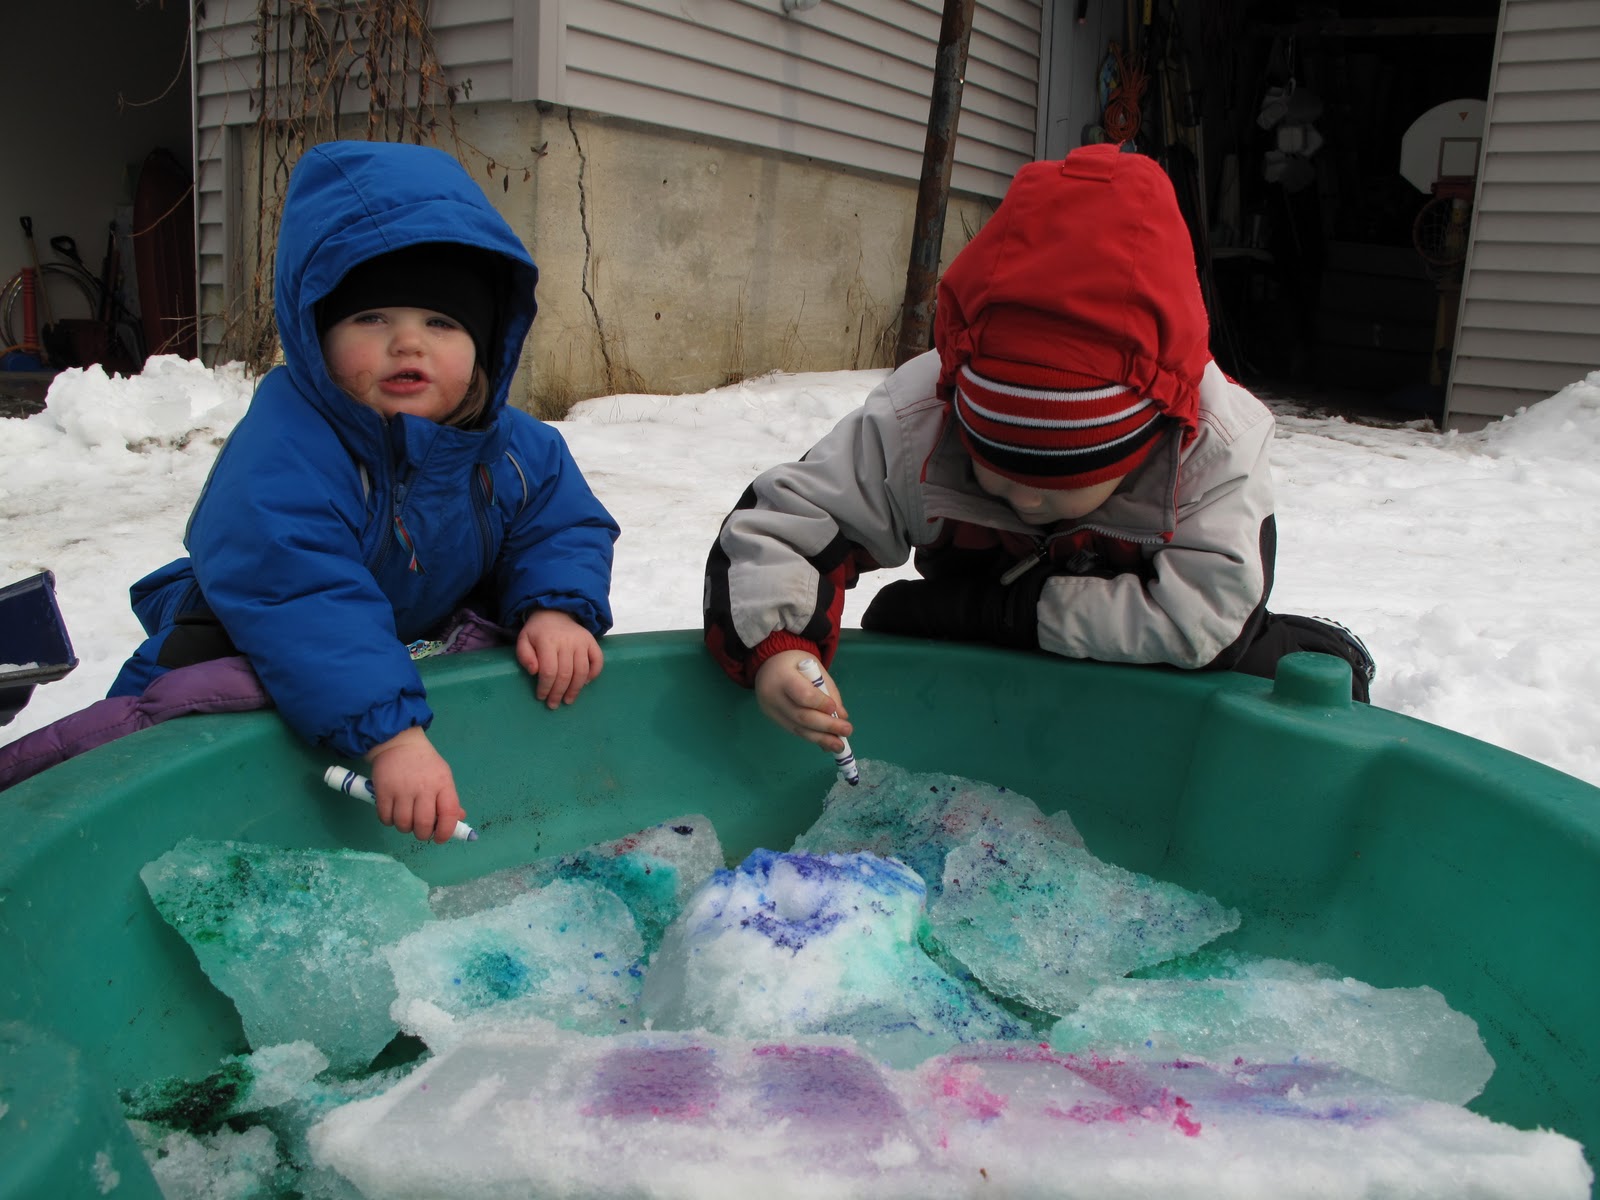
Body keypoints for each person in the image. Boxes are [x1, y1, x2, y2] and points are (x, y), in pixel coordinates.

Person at [0, 141, 620, 837]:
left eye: (441, 323)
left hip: (393, 645)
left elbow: (561, 524)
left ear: (488, 342)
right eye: (372, 319)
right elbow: (299, 589)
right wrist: (392, 736)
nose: (408, 344)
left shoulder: (512, 445)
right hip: (250, 639)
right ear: (317, 331)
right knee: (142, 747)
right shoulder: (288, 446)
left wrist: (556, 606)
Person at [703, 143, 1374, 755]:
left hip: (1142, 642)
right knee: (901, 636)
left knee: (1249, 672)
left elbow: (1202, 621)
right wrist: (776, 649)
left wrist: (1002, 617)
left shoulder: (1210, 445)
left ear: (1143, 444)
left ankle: (1326, 652)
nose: (1024, 499)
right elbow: (788, 527)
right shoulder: (922, 417)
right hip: (985, 615)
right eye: (993, 469)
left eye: (1055, 485)